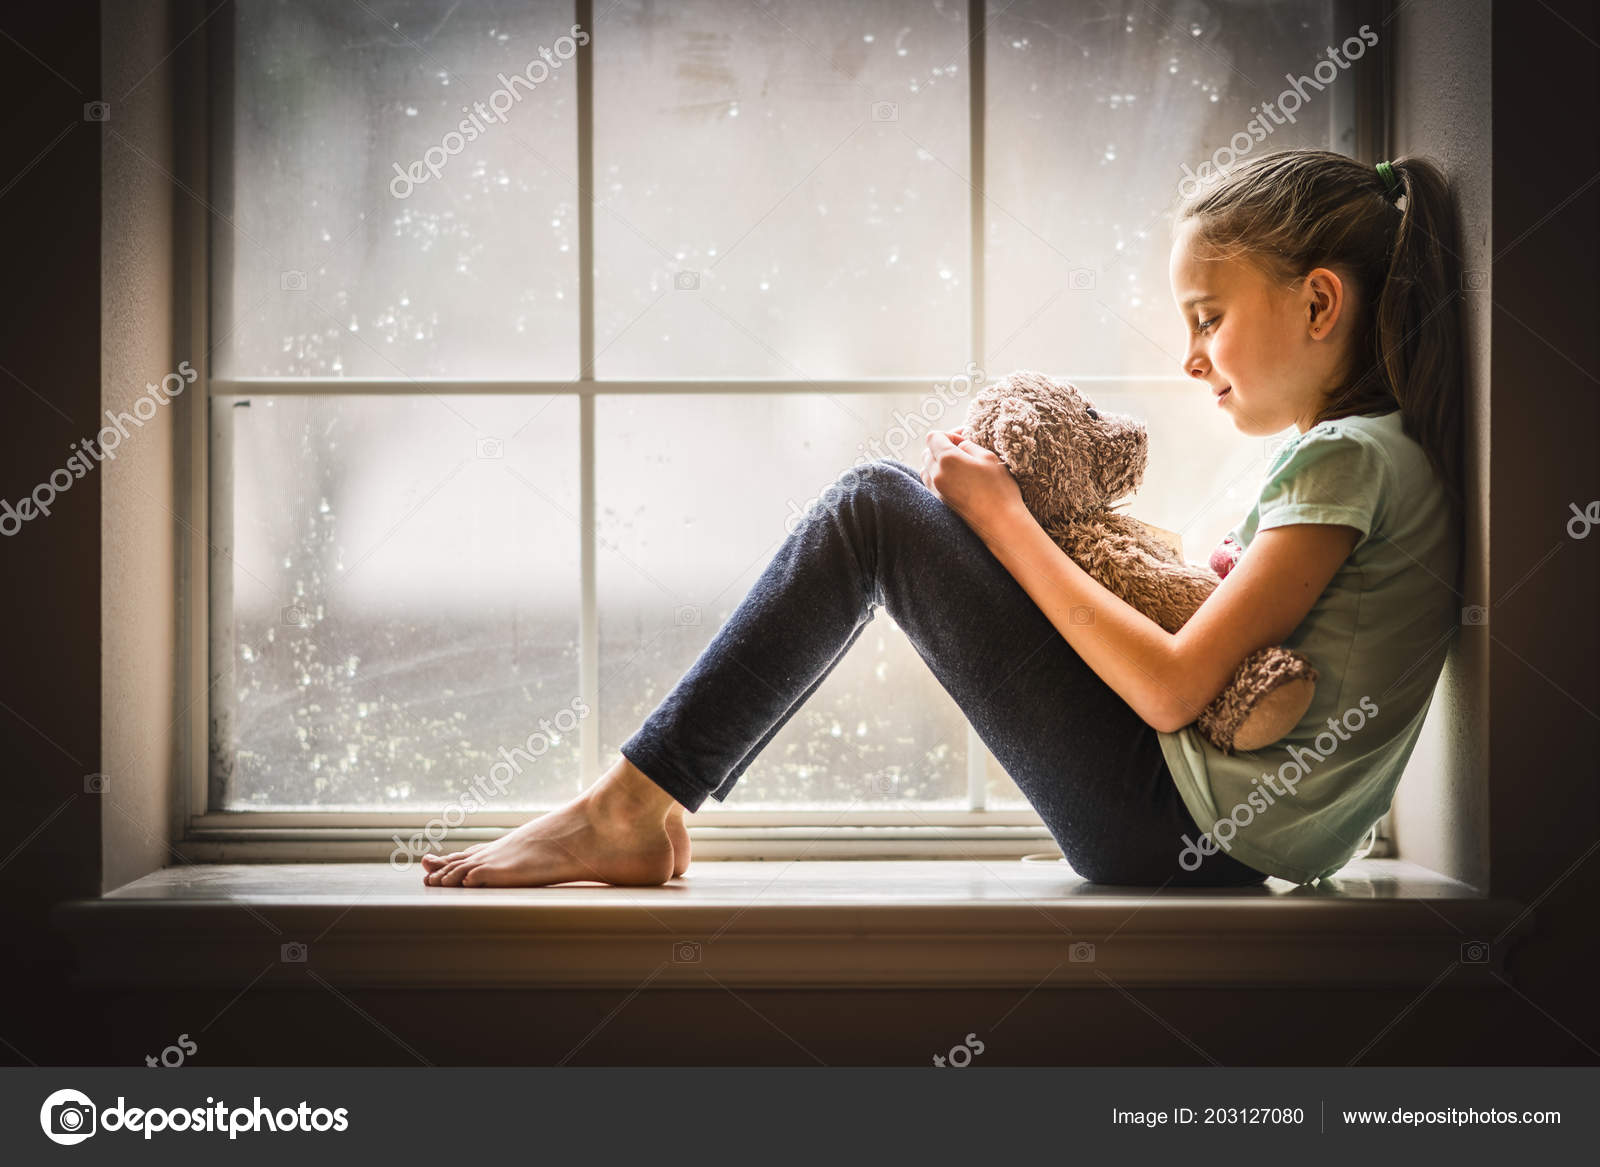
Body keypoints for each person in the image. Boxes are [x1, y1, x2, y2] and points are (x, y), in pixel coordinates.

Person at [421, 149, 1464, 890]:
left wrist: (1006, 521)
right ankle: (630, 807)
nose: (1190, 359)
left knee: (875, 508)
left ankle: (626, 809)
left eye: (1208, 319)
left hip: (1171, 828)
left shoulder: (1347, 461)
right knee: (891, 511)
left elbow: (1173, 686)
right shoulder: (1367, 461)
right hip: (1201, 832)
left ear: (1319, 304)